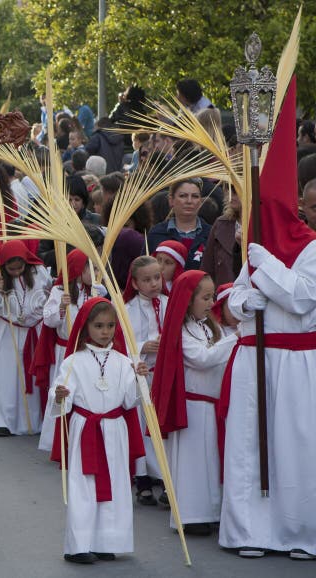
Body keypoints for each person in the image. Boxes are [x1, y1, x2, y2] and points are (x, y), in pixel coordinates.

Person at [219, 83, 316, 560]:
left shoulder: (312, 250)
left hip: (298, 362)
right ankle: (248, 530)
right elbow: (234, 297)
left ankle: (298, 530)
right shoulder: (258, 250)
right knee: (248, 447)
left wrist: (265, 264)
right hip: (254, 357)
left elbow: (302, 299)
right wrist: (244, 304)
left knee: (295, 448)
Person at [49, 298, 148, 564]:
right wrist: (59, 395)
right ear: (85, 327)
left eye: (110, 325)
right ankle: (79, 545)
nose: (105, 331)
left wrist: (139, 379)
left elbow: (129, 401)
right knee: (84, 485)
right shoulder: (73, 362)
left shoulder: (124, 361)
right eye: (99, 325)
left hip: (115, 431)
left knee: (115, 483)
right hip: (87, 430)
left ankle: (107, 541)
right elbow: (62, 395)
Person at [152, 270, 237, 536]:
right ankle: (191, 514)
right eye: (206, 297)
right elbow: (203, 358)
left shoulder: (210, 326)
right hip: (193, 406)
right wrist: (237, 337)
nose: (211, 303)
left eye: (212, 297)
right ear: (188, 300)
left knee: (211, 459)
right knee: (194, 463)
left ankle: (210, 510)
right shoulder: (181, 329)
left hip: (212, 404)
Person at [37, 249, 106, 453]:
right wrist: (61, 307)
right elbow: (49, 320)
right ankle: (56, 440)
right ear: (77, 269)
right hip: (65, 350)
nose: (95, 272)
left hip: (87, 349)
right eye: (91, 268)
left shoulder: (96, 289)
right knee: (63, 392)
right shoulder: (60, 291)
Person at [0, 240, 49, 437]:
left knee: (32, 377)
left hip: (33, 332)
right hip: (7, 333)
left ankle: (33, 422)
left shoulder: (39, 272)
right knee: (6, 377)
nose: (17, 272)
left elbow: (46, 296)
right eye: (11, 269)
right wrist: (0, 291)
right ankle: (4, 422)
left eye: (20, 268)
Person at [124, 256, 168, 506]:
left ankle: (163, 478)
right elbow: (123, 340)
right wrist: (142, 346)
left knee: (161, 428)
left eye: (157, 277)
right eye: (146, 280)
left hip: (163, 374)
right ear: (136, 283)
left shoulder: (168, 303)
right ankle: (142, 480)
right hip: (142, 373)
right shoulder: (129, 309)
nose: (153, 284)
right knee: (143, 427)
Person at [148, 178, 211, 270]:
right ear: (171, 200)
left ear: (200, 201)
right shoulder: (157, 233)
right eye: (183, 196)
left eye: (195, 196)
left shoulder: (211, 234)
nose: (189, 201)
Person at [201, 191, 242, 286]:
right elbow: (207, 269)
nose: (230, 194)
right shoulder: (220, 224)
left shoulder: (263, 225)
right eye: (229, 188)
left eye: (236, 190)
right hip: (223, 296)